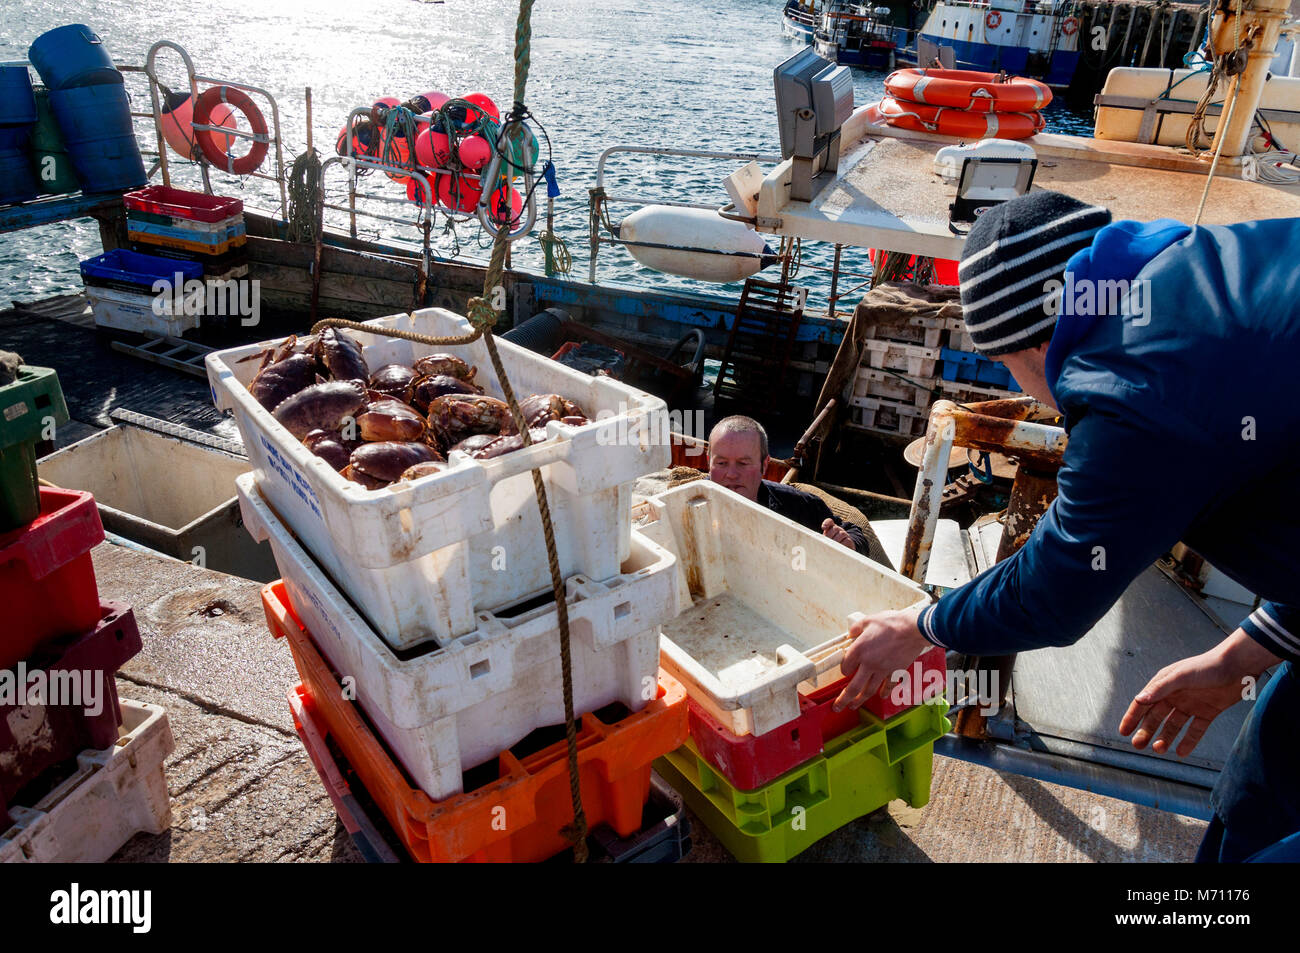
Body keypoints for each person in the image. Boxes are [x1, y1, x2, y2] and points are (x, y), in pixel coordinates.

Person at [831, 190, 1300, 862]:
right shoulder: (1199, 266)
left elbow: (1053, 591)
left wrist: (920, 626)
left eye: (1007, 363)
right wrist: (1243, 653)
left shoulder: (1133, 384)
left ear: (1037, 339)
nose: (1022, 387)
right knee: (1260, 793)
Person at [708, 415, 872, 555]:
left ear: (764, 465)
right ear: (708, 463)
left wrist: (847, 543)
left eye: (743, 463)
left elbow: (854, 532)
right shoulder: (685, 500)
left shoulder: (797, 505)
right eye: (721, 463)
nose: (731, 474)